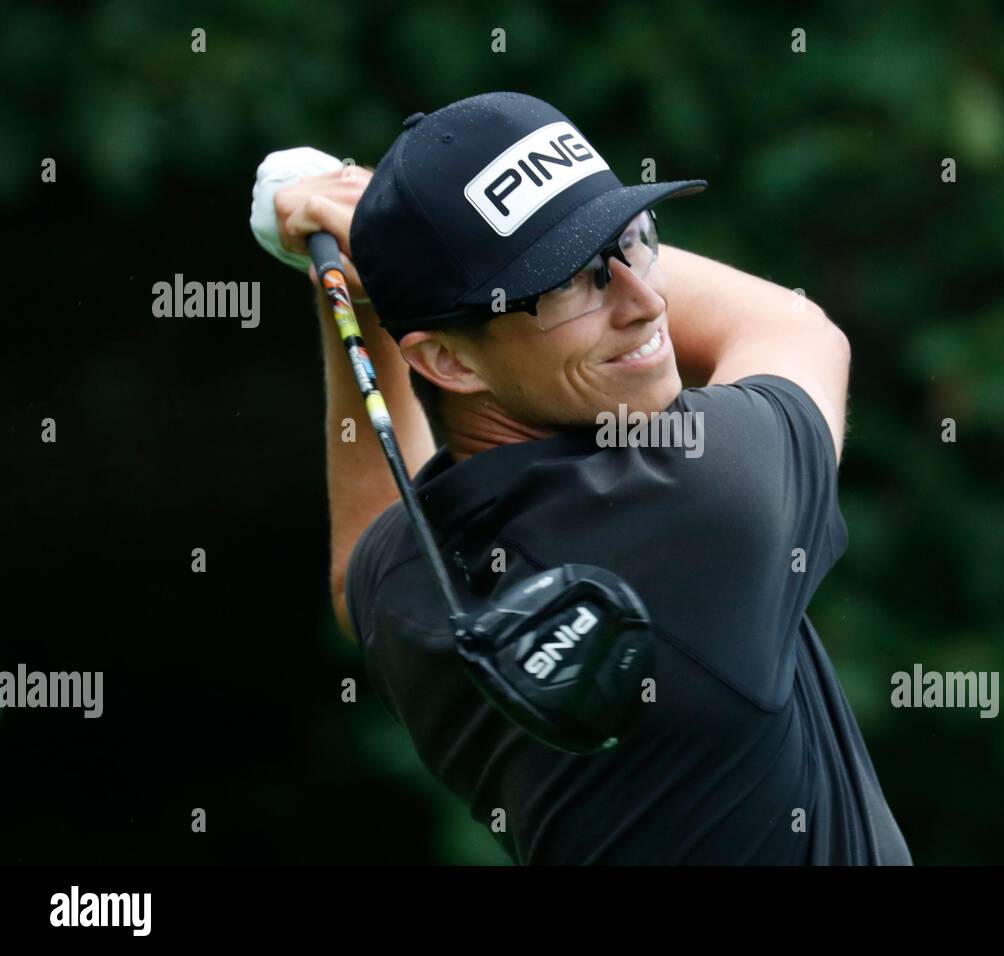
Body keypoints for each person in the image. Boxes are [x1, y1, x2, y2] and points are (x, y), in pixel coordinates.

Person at [271, 91, 911, 865]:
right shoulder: (697, 503)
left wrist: (365, 291)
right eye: (569, 281)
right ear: (445, 360)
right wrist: (371, 234)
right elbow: (791, 326)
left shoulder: (413, 592)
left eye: (633, 239)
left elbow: (358, 568)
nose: (646, 301)